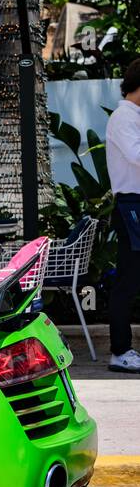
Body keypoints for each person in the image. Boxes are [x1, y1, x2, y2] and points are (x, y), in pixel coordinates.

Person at [107, 59, 140, 373]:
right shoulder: (123, 118)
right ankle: (120, 351)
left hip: (136, 205)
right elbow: (136, 155)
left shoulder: (133, 116)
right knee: (128, 282)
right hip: (132, 205)